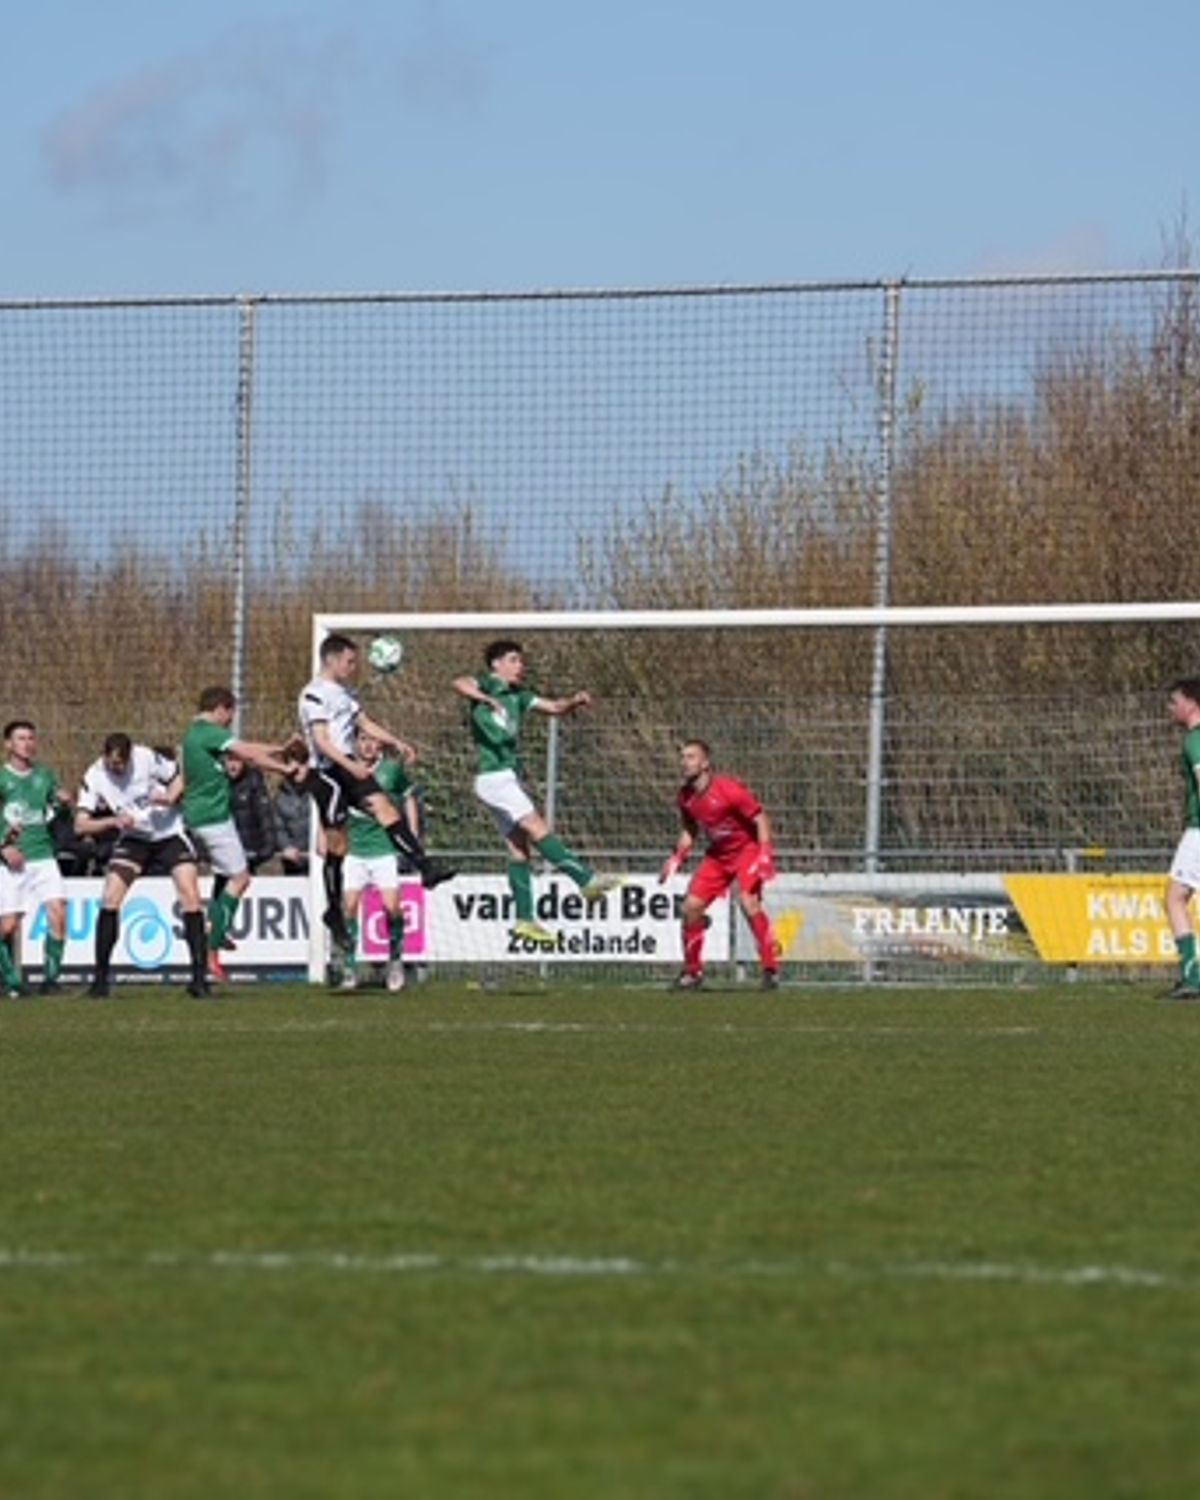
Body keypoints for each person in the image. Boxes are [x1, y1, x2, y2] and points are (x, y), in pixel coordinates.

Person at [452, 639, 621, 947]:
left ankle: (525, 919)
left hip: (504, 779)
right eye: (514, 660)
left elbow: (554, 708)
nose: (521, 666)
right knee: (537, 826)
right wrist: (485, 699)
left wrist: (574, 701)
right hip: (495, 778)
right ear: (496, 665)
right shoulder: (488, 684)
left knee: (519, 849)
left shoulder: (519, 696)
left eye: (521, 661)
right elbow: (459, 683)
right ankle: (585, 880)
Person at [298, 634, 454, 968]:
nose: (354, 668)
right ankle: (334, 914)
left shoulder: (345, 694)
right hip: (327, 774)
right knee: (337, 845)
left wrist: (397, 741)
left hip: (349, 769)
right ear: (332, 660)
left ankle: (425, 867)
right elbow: (322, 742)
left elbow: (364, 723)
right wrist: (352, 764)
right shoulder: (314, 694)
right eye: (350, 662)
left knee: (386, 808)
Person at [74, 733, 210, 998]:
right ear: (104, 758)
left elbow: (180, 775)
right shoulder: (94, 775)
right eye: (113, 765)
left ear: (131, 756)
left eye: (122, 764)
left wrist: (170, 798)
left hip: (169, 833)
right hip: (134, 838)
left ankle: (199, 979)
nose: (118, 769)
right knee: (111, 896)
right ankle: (100, 981)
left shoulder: (147, 757)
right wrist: (113, 822)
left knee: (190, 894)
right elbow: (81, 825)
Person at [181, 686, 302, 983]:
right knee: (241, 878)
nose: (230, 720)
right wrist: (284, 766)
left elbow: (245, 749)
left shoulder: (194, 734)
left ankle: (217, 932)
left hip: (201, 817)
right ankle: (214, 941)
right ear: (222, 708)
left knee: (226, 880)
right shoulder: (208, 731)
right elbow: (247, 753)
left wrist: (279, 749)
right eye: (231, 714)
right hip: (214, 818)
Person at [659, 739, 781, 991]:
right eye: (683, 757)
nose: (685, 762)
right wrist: (676, 857)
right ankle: (693, 973)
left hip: (747, 850)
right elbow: (690, 829)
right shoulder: (685, 797)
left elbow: (760, 818)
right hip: (718, 856)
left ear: (705, 763)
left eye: (691, 757)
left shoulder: (728, 789)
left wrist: (765, 855)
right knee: (691, 907)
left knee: (748, 901)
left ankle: (771, 968)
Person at [337, 730, 420, 993]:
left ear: (380, 744)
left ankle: (395, 962)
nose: (368, 745)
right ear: (355, 744)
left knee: (392, 908)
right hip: (355, 850)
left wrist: (412, 835)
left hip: (384, 849)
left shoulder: (391, 770)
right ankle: (349, 969)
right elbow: (331, 806)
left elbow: (408, 797)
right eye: (363, 740)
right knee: (348, 907)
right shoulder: (346, 769)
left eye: (372, 740)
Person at [0, 720, 70, 994]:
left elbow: (59, 815)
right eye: (20, 738)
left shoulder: (46, 776)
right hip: (11, 862)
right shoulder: (2, 779)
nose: (27, 743)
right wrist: (3, 846)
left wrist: (65, 804)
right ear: (8, 745)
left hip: (43, 855)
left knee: (59, 912)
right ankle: (11, 981)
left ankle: (51, 980)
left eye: (31, 738)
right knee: (7, 927)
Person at [1165, 677, 1200, 999]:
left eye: (1175, 701)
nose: (1171, 708)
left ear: (1191, 702)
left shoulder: (1195, 741)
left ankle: (1192, 976)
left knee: (1174, 898)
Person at [225, 751, 278, 874]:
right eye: (230, 761)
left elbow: (265, 817)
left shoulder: (254, 782)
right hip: (224, 853)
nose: (233, 766)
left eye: (237, 761)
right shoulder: (217, 783)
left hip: (249, 855)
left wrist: (265, 851)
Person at [272, 771, 312, 876]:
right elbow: (278, 827)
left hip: (320, 857)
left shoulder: (318, 790)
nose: (297, 769)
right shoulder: (279, 797)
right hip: (294, 860)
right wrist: (286, 846)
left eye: (302, 762)